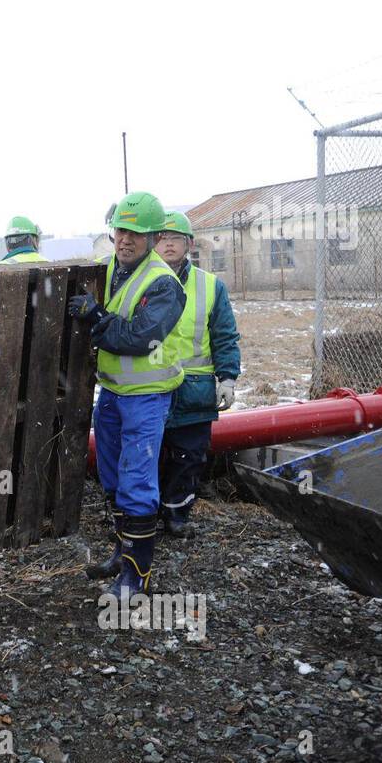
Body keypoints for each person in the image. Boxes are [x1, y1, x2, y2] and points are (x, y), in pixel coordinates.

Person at [70, 191, 186, 599]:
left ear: (154, 237)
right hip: (115, 394)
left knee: (137, 481)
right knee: (114, 478)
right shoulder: (111, 269)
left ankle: (138, 575)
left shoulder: (163, 283)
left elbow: (141, 336)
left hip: (147, 397)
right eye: (121, 229)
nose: (125, 239)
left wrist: (96, 317)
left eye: (135, 233)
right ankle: (122, 553)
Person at [153, 211, 241, 538]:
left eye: (175, 239)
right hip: (150, 388)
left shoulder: (210, 286)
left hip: (194, 391)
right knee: (147, 455)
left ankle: (176, 515)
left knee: (189, 457)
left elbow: (224, 336)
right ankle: (143, 518)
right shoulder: (139, 281)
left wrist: (227, 378)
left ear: (188, 243)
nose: (169, 245)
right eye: (162, 238)